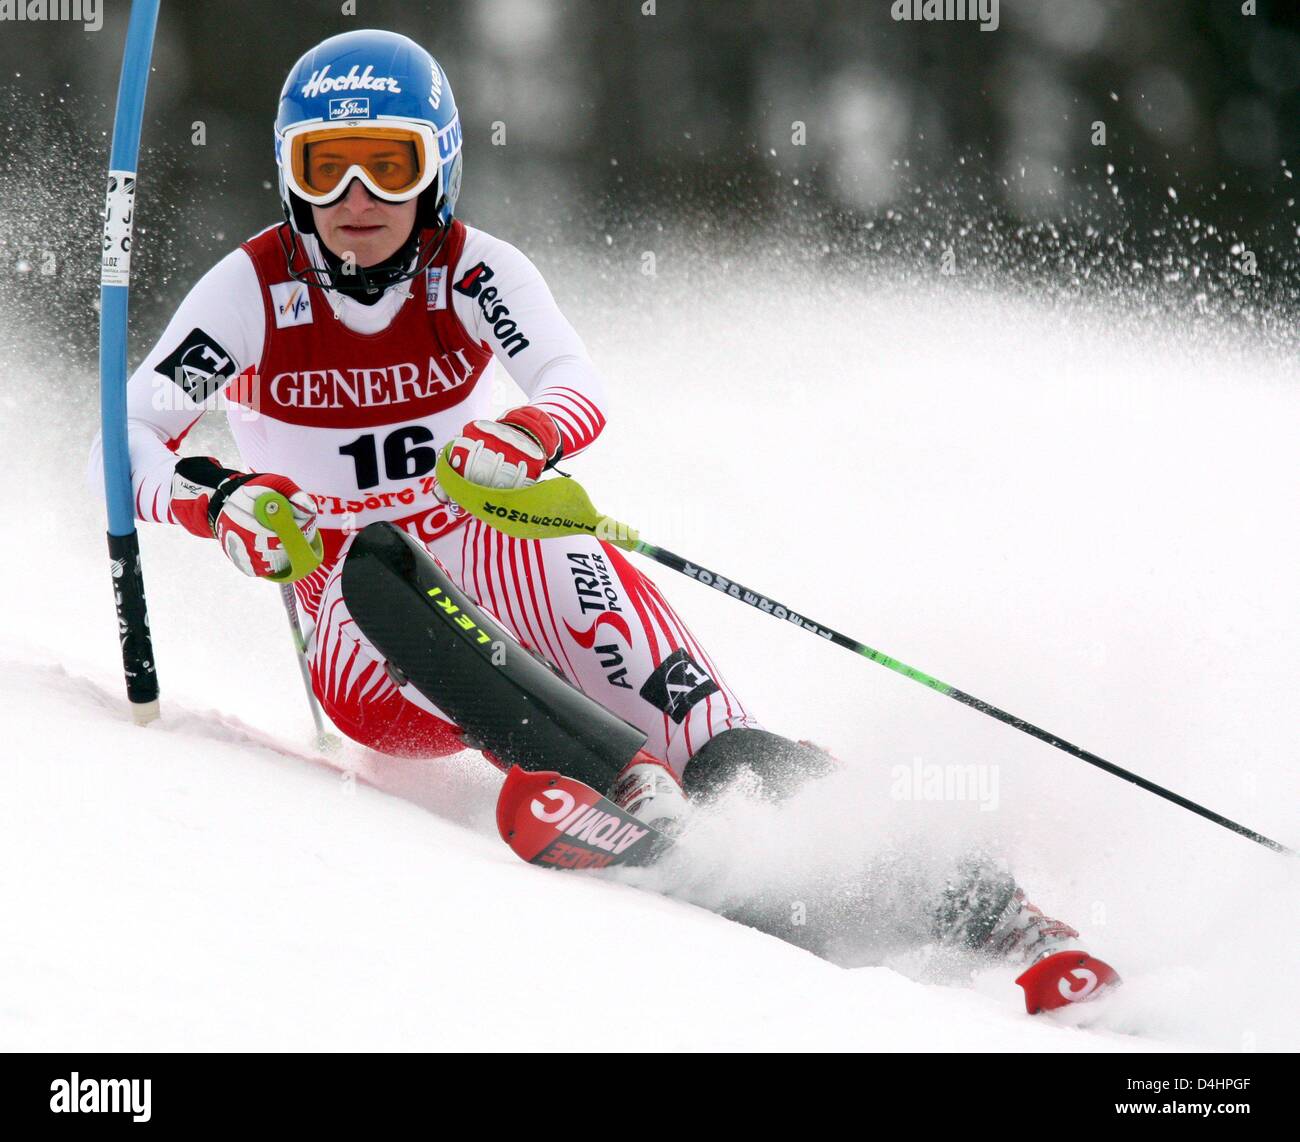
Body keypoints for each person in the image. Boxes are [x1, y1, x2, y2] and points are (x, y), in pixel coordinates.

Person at [87, 29, 1113, 1003]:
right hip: (365, 627)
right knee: (372, 559)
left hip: (494, 546)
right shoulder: (255, 289)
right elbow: (121, 430)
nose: (358, 199)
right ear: (288, 175)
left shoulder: (471, 267)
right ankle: (618, 787)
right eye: (327, 169)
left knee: (718, 748)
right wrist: (220, 503)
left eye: (388, 167)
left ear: (437, 168)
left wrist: (528, 435)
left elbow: (572, 378)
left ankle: (995, 912)